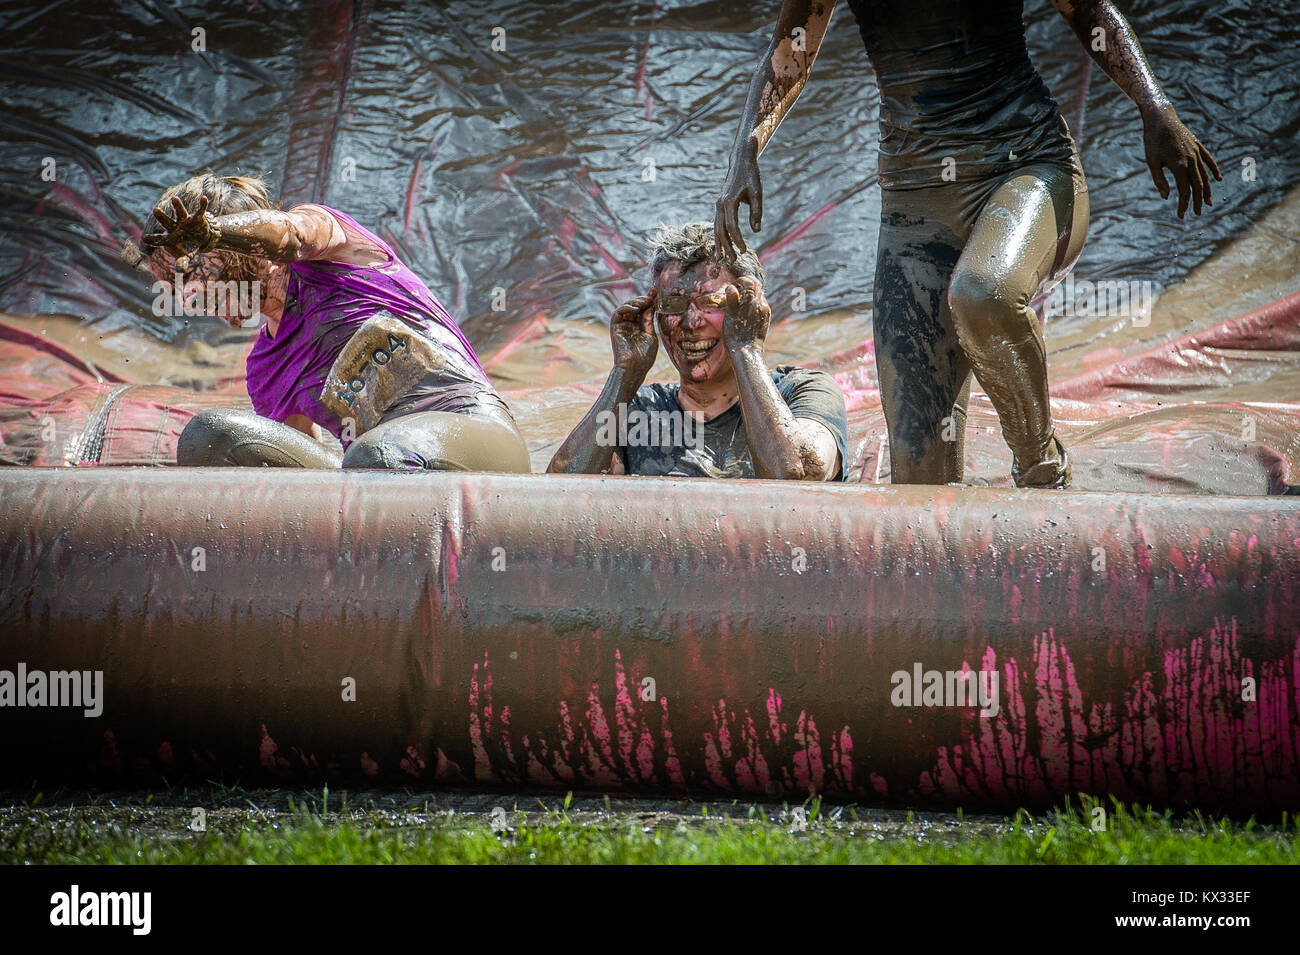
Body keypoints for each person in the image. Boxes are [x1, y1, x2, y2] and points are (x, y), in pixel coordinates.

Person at [715, 0, 1221, 488]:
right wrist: (745, 147)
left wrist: (1154, 105)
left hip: (1026, 166)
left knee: (983, 293)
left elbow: (1087, 10)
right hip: (914, 202)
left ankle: (1042, 469)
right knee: (918, 478)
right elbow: (792, 50)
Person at [122, 172, 530, 472]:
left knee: (378, 455)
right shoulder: (265, 370)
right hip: (373, 474)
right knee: (210, 435)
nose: (185, 298)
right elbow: (300, 474)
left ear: (230, 247)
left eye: (185, 279)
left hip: (474, 435)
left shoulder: (333, 254)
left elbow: (292, 235)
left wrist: (219, 230)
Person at [548, 222, 847, 480]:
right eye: (673, 305)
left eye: (710, 303)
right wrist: (625, 375)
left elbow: (797, 475)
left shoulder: (804, 393)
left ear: (751, 309)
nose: (690, 323)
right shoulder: (638, 412)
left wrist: (746, 349)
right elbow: (560, 498)